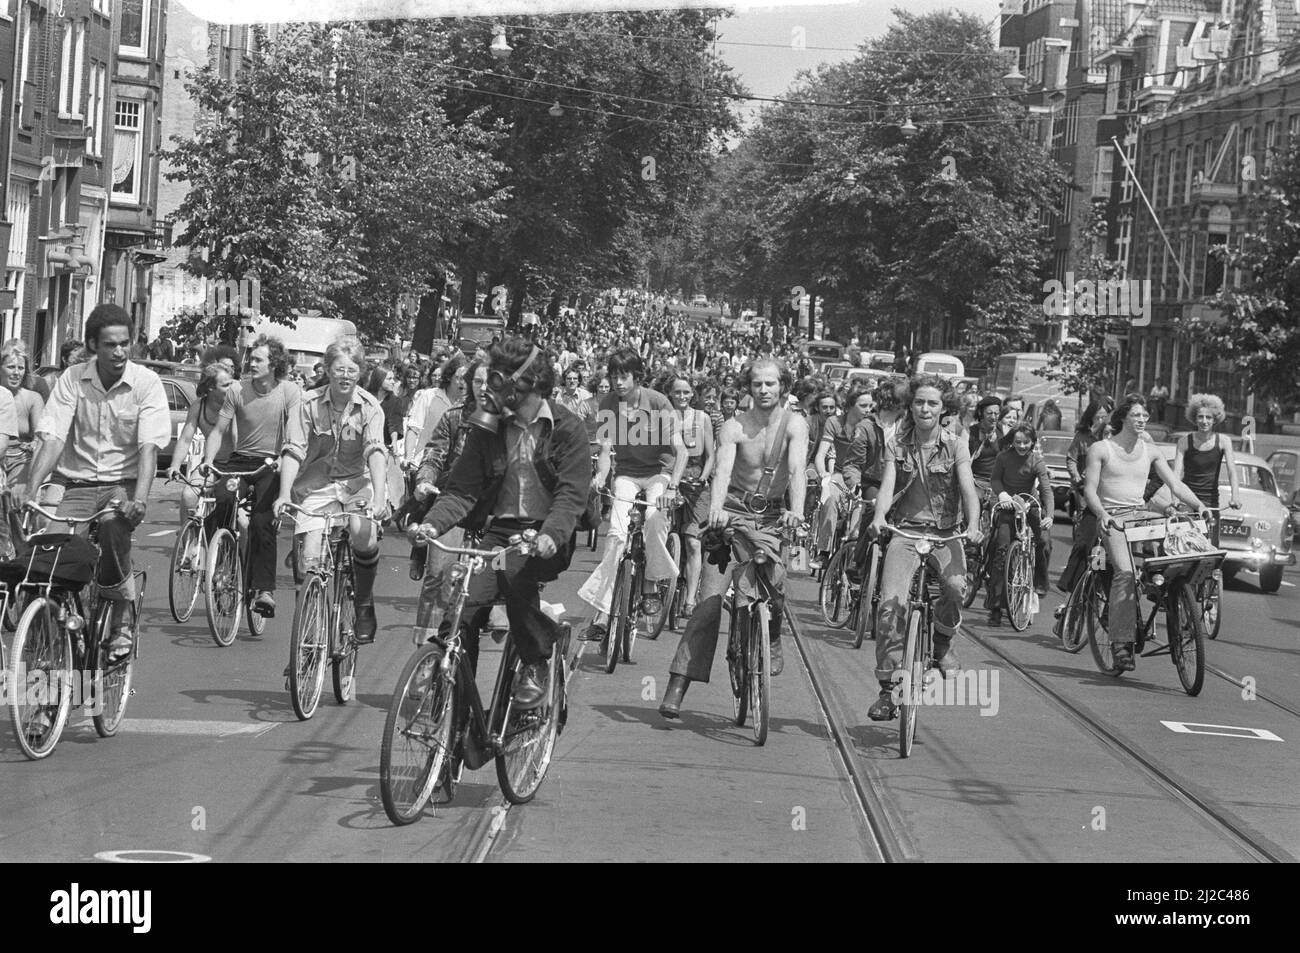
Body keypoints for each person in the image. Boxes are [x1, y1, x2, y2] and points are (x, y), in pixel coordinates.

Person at [416, 337, 591, 707]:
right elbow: (462, 490)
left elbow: (571, 496)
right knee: (462, 611)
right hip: (500, 533)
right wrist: (432, 525)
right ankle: (457, 715)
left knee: (514, 574)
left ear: (530, 385)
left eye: (501, 380)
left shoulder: (568, 428)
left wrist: (550, 535)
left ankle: (535, 659)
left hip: (547, 534)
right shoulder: (488, 428)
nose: (491, 389)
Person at [15, 304, 170, 662]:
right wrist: (30, 486)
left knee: (114, 525)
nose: (119, 352)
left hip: (122, 486)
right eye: (110, 344)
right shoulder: (72, 379)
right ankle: (49, 636)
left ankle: (120, 616)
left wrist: (141, 499)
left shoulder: (146, 384)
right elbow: (53, 438)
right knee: (50, 548)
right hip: (74, 485)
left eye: (125, 344)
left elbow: (148, 447)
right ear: (91, 346)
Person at [658, 357, 808, 718]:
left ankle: (771, 636)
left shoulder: (795, 425)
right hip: (733, 514)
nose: (764, 390)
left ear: (783, 386)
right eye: (757, 384)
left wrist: (797, 511)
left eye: (771, 384)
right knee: (709, 602)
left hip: (772, 518)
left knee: (776, 585)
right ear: (749, 388)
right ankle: (678, 683)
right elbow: (723, 470)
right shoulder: (734, 427)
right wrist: (718, 508)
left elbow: (798, 468)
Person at [865, 374, 982, 722]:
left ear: (943, 408)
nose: (925, 408)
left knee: (955, 588)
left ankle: (942, 641)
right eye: (919, 402)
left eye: (932, 403)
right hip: (904, 532)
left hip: (946, 534)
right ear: (910, 406)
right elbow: (887, 486)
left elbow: (968, 490)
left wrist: (973, 526)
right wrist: (879, 516)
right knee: (889, 609)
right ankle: (888, 691)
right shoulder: (896, 444)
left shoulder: (956, 445)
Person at [1081, 395, 1209, 672]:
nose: (1142, 420)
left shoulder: (1150, 451)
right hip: (1113, 519)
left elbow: (1175, 484)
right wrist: (1102, 514)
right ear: (1123, 418)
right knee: (1125, 573)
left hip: (1142, 515)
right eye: (1137, 415)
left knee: (1182, 543)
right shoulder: (1102, 449)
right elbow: (1090, 489)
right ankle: (1121, 645)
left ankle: (1172, 591)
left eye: (1145, 416)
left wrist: (1199, 505)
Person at [274, 337, 388, 643]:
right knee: (309, 560)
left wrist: (378, 497)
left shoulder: (371, 407)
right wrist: (284, 494)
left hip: (357, 481)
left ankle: (363, 603)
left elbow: (375, 451)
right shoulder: (308, 403)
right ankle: (307, 639)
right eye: (339, 369)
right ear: (328, 370)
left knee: (361, 530)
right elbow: (293, 450)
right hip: (318, 485)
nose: (345, 376)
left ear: (360, 373)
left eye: (352, 370)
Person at [578, 346, 685, 638]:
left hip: (659, 473)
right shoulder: (608, 403)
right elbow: (604, 448)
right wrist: (601, 476)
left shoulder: (659, 402)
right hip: (626, 473)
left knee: (653, 516)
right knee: (615, 534)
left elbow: (682, 452)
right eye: (614, 377)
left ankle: (651, 584)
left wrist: (672, 487)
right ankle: (601, 615)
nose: (618, 383)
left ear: (637, 376)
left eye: (624, 377)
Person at [202, 334, 302, 618]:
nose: (250, 363)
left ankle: (264, 590)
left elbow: (294, 430)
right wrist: (209, 461)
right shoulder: (237, 390)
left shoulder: (290, 391)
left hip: (271, 465)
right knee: (222, 498)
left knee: (262, 522)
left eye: (258, 359)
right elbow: (218, 431)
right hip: (240, 461)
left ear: (274, 365)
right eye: (251, 357)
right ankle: (222, 561)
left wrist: (288, 456)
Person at [986, 422, 1053, 626]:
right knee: (1002, 548)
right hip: (1008, 505)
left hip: (1030, 504)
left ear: (1032, 442)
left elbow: (1046, 489)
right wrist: (1003, 495)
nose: (1022, 446)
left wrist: (1049, 515)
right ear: (1012, 442)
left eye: (1026, 442)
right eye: (1018, 442)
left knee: (1044, 541)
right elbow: (995, 480)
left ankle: (1040, 582)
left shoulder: (1036, 461)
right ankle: (996, 606)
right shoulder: (1003, 457)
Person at [664, 373, 714, 617]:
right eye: (677, 392)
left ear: (692, 394)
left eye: (686, 392)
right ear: (670, 394)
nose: (681, 396)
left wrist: (703, 477)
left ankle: (690, 598)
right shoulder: (663, 418)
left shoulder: (702, 418)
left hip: (696, 484)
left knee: (694, 542)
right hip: (670, 481)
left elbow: (710, 456)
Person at [811, 383, 875, 566]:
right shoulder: (835, 423)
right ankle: (823, 551)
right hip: (839, 475)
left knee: (860, 508)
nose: (868, 410)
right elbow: (821, 454)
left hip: (863, 478)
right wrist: (823, 473)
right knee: (829, 500)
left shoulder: (872, 427)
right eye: (863, 406)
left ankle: (853, 551)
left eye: (870, 406)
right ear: (850, 405)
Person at [167, 362, 236, 531]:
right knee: (188, 495)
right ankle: (188, 546)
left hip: (235, 466)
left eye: (232, 383)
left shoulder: (236, 405)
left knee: (242, 522)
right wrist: (175, 466)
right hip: (210, 464)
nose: (232, 388)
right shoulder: (199, 406)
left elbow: (237, 440)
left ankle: (240, 556)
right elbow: (185, 439)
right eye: (226, 385)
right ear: (211, 387)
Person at [1173, 393, 1241, 541]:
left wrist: (1235, 496)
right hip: (1187, 501)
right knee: (1186, 544)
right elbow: (1176, 473)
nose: (1204, 421)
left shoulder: (1224, 441)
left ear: (1215, 420)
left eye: (1208, 417)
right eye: (1200, 417)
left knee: (1211, 547)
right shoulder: (1184, 442)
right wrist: (1175, 499)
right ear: (1194, 418)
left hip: (1211, 502)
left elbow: (1231, 471)